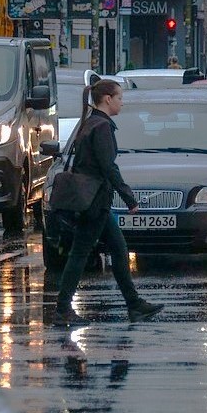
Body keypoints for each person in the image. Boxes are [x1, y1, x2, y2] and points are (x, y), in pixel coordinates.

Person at [53, 79, 164, 326]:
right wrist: (128, 197)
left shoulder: (90, 122)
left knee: (118, 249)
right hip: (95, 201)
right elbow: (107, 167)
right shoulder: (101, 127)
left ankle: (135, 305)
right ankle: (62, 309)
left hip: (94, 200)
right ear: (107, 99)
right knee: (80, 254)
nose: (122, 103)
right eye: (120, 98)